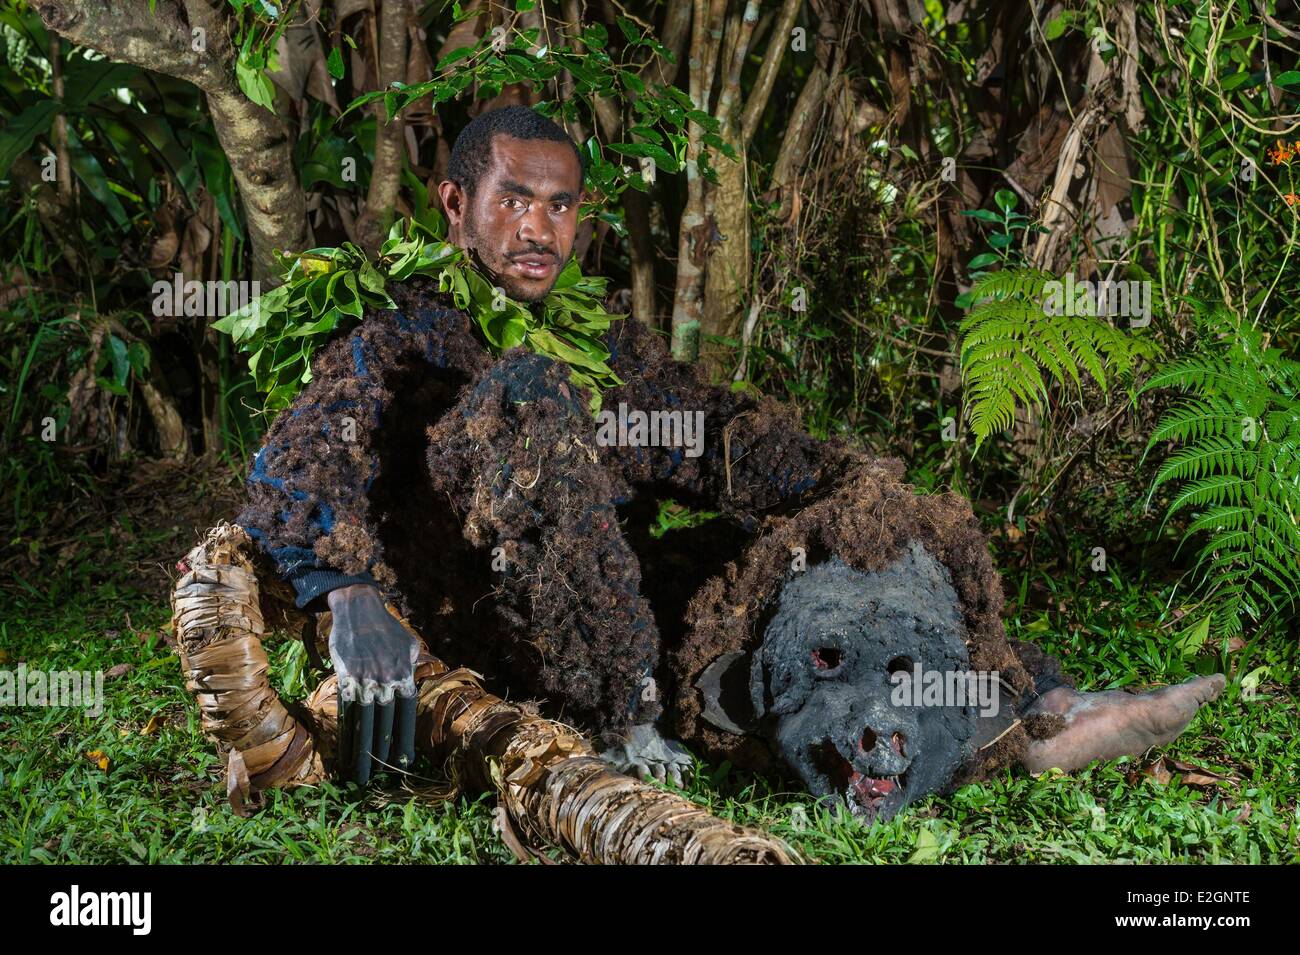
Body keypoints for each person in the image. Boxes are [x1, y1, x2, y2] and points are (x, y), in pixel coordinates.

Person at [241, 105, 1223, 799]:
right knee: (525, 400)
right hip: (481, 631)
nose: (538, 228)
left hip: (614, 612)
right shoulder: (394, 341)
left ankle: (1035, 707)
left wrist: (849, 497)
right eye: (513, 201)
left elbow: (712, 434)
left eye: (559, 206)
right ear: (455, 205)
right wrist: (347, 592)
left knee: (813, 541)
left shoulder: (608, 347)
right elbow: (293, 470)